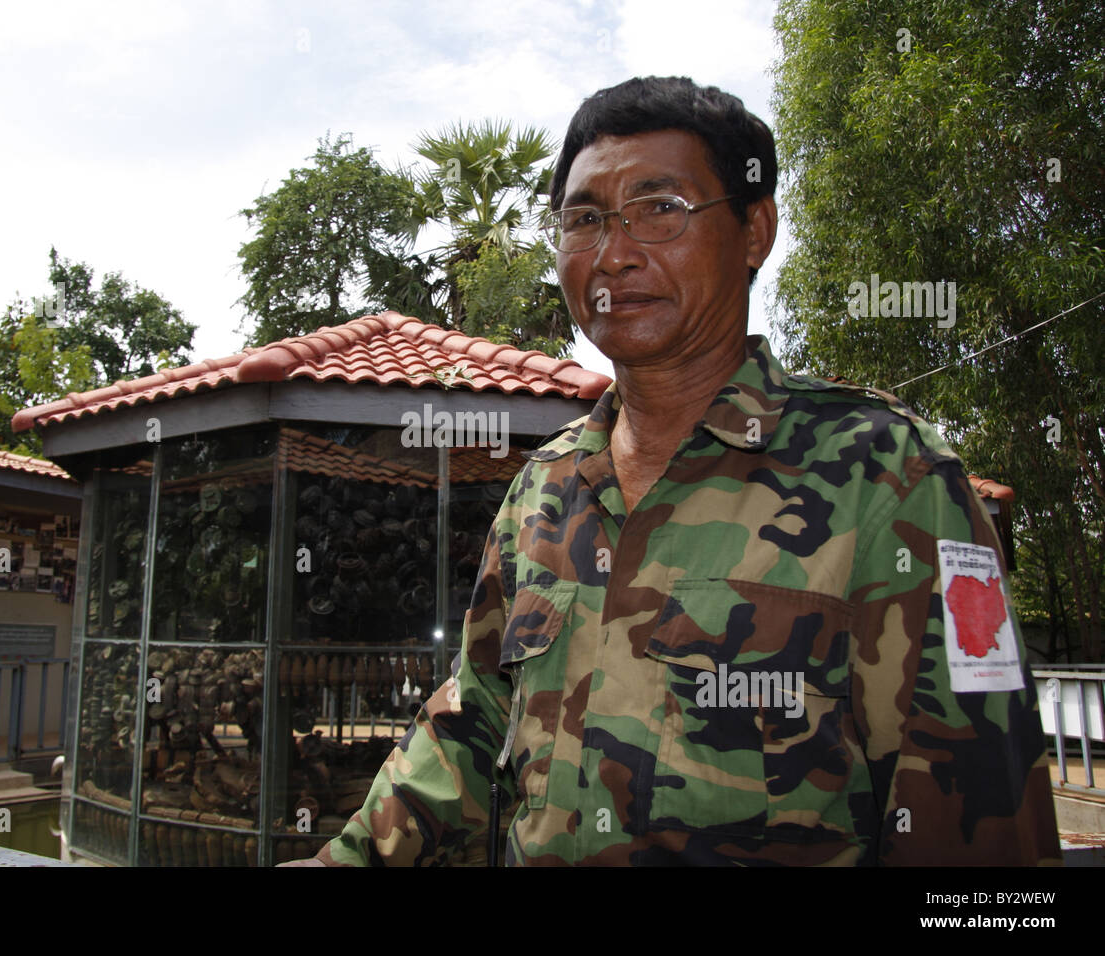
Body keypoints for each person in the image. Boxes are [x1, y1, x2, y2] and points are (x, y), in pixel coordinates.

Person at [291, 76, 1060, 866]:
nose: (614, 253)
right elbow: (473, 721)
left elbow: (982, 816)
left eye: (662, 209)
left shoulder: (891, 476)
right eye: (584, 219)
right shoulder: (543, 490)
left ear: (754, 231)